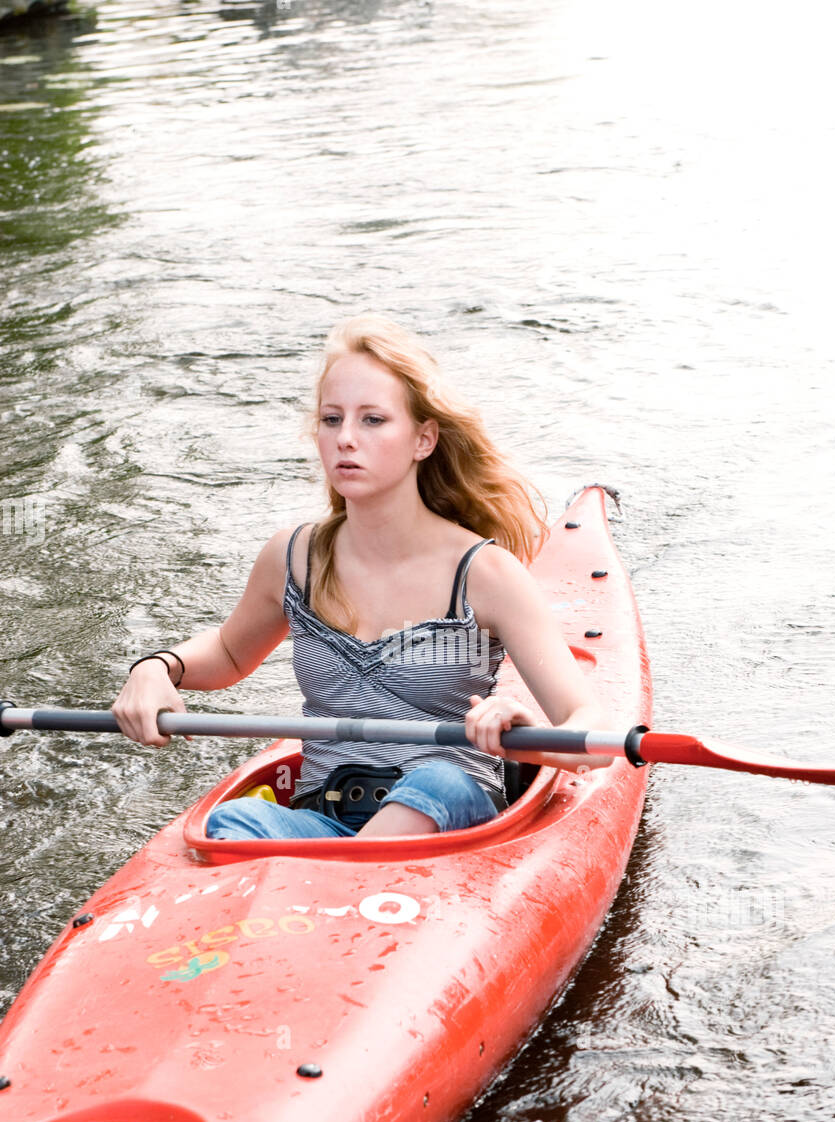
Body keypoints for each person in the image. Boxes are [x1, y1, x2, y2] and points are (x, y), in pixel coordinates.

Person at [111, 315, 612, 839]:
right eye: (332, 419)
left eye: (372, 420)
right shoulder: (292, 557)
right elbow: (231, 654)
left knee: (440, 782)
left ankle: (335, 879)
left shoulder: (486, 575)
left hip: (451, 817)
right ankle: (336, 873)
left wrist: (530, 735)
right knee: (233, 819)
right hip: (324, 825)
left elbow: (591, 728)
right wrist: (154, 670)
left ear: (423, 439)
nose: (346, 439)